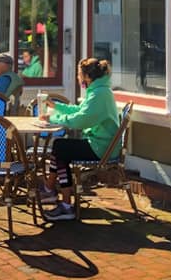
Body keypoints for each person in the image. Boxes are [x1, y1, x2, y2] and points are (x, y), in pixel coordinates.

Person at [40, 58, 120, 221]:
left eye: (79, 74)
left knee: (61, 148)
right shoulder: (99, 90)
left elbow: (81, 120)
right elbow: (81, 111)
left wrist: (53, 118)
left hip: (101, 148)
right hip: (100, 143)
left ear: (87, 76)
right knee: (60, 147)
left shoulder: (100, 94)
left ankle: (62, 202)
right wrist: (57, 107)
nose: (78, 77)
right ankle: (51, 192)